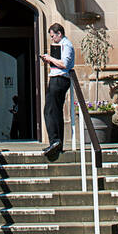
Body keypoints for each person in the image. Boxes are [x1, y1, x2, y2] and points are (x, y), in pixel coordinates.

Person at [40, 23, 74, 159]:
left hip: (59, 79)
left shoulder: (66, 45)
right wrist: (49, 60)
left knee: (49, 110)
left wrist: (50, 58)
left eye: (53, 36)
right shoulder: (61, 45)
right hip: (57, 78)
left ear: (59, 33)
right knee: (56, 111)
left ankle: (54, 140)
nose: (52, 39)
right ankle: (57, 143)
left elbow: (64, 64)